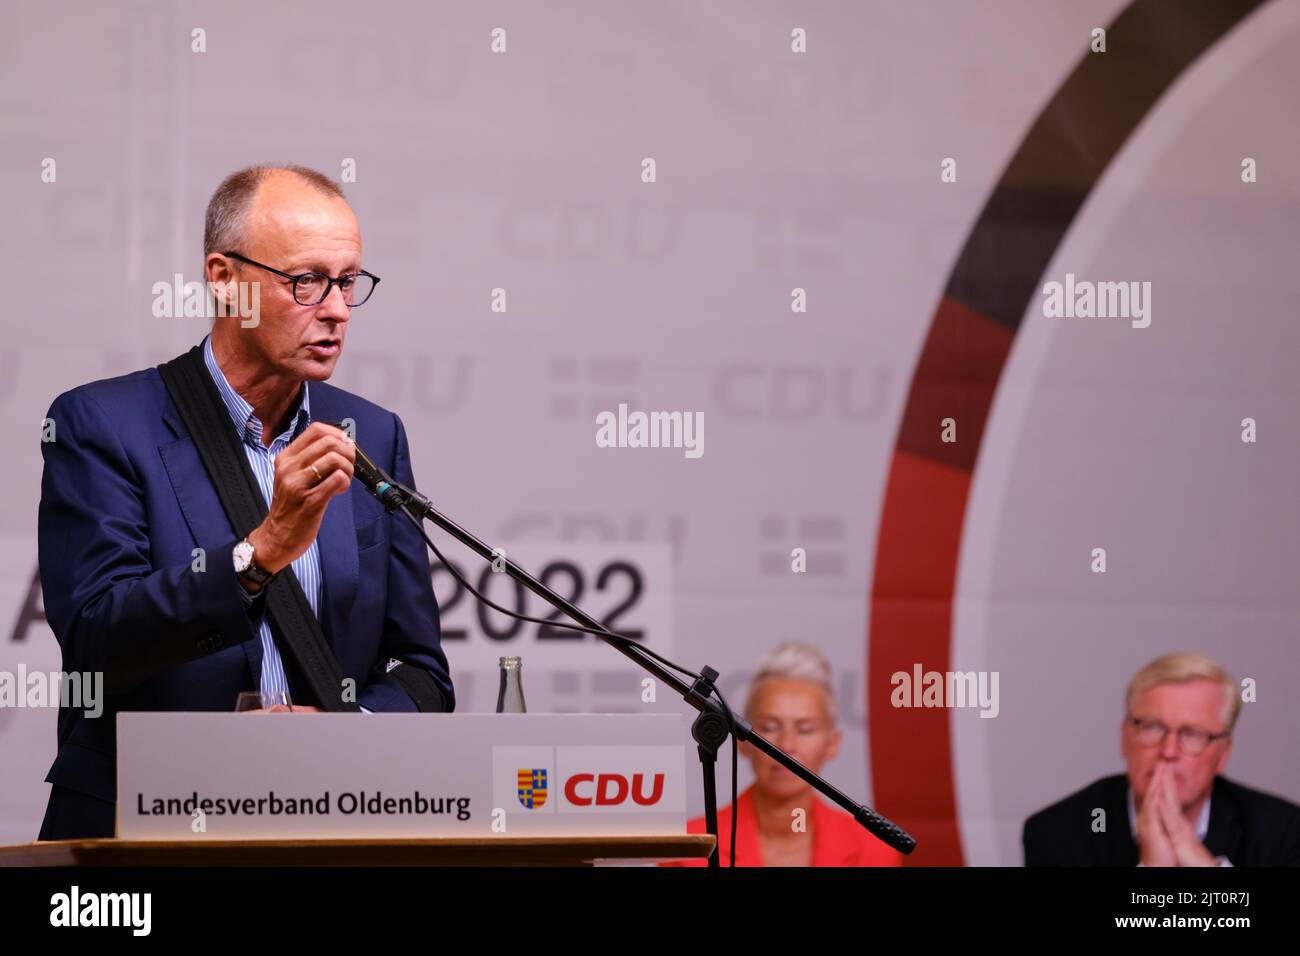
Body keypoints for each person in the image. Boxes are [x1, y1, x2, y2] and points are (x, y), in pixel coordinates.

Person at [36, 165, 454, 840]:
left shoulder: (371, 433)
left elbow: (422, 672)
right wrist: (260, 553)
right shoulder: (102, 424)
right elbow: (95, 642)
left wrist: (349, 732)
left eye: (348, 281)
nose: (339, 308)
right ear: (224, 278)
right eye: (307, 280)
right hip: (147, 830)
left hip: (325, 825)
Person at [1023, 652, 1300, 866]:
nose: (1168, 751)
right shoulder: (1057, 833)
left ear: (1223, 752)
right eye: (1152, 728)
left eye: (1192, 734)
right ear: (1124, 737)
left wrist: (1200, 863)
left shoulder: (1281, 831)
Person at [663, 642, 901, 867]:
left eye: (804, 729)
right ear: (741, 741)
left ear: (833, 744)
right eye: (769, 727)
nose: (787, 745)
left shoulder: (875, 850)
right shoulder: (690, 847)